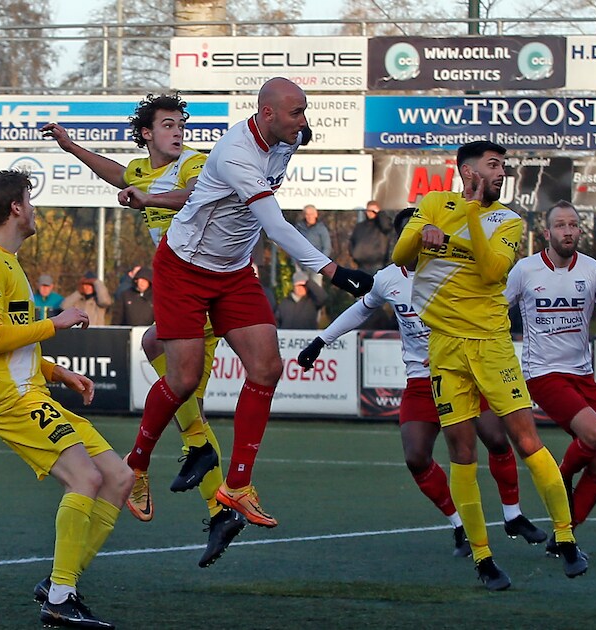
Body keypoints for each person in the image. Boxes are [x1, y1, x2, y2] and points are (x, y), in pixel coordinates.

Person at [124, 77, 371, 535]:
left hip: (233, 271)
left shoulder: (287, 136)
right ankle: (134, 466)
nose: (304, 122)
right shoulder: (237, 152)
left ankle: (237, 486)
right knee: (183, 378)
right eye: (296, 113)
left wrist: (300, 132)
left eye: (305, 112)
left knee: (266, 367)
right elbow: (275, 226)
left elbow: (290, 151)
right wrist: (334, 272)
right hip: (184, 267)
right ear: (267, 113)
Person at [44, 93, 243, 567]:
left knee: (178, 392)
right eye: (168, 125)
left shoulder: (197, 164)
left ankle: (154, 471)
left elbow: (198, 196)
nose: (178, 131)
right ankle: (218, 502)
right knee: (173, 386)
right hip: (185, 299)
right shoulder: (139, 171)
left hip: (211, 296)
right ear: (147, 134)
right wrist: (72, 148)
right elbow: (115, 172)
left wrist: (151, 198)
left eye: (180, 124)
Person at [392, 140, 587, 591]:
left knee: (525, 439)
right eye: (493, 165)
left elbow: (492, 271)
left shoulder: (507, 219)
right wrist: (419, 235)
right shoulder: (436, 204)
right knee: (461, 453)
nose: (502, 172)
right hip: (444, 349)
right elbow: (400, 257)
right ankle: (483, 558)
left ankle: (566, 537)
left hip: (491, 346)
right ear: (466, 169)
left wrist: (475, 211)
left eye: (504, 166)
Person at [299, 207, 547, 557]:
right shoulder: (388, 279)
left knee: (495, 439)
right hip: (421, 379)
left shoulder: (457, 270)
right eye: (410, 236)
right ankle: (460, 526)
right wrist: (321, 340)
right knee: (416, 457)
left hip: (464, 371)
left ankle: (513, 515)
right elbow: (362, 308)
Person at [0, 169, 133, 629]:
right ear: (15, 208)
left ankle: (62, 584)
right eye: (29, 201)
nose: (34, 209)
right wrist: (56, 322)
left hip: (33, 391)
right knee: (85, 478)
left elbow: (11, 346)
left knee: (118, 478)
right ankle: (60, 597)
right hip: (10, 401)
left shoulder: (9, 263)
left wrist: (59, 371)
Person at [505, 201, 596, 553]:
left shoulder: (590, 269)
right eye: (560, 225)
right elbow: (497, 308)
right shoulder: (526, 270)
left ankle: (566, 535)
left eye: (573, 224)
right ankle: (559, 478)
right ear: (547, 234)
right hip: (543, 372)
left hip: (582, 373)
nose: (568, 230)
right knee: (594, 432)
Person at [350, 200, 393, 274]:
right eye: (368, 210)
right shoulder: (360, 226)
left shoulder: (381, 225)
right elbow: (352, 241)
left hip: (377, 264)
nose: (370, 213)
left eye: (373, 210)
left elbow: (387, 227)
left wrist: (379, 213)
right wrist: (354, 255)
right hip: (361, 265)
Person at [294, 204, 331, 283]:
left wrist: (321, 263)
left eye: (311, 214)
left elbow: (327, 247)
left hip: (317, 267)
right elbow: (293, 245)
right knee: (301, 291)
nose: (309, 216)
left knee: (316, 291)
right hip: (301, 265)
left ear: (316, 214)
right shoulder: (299, 227)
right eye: (307, 214)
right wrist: (295, 261)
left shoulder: (321, 229)